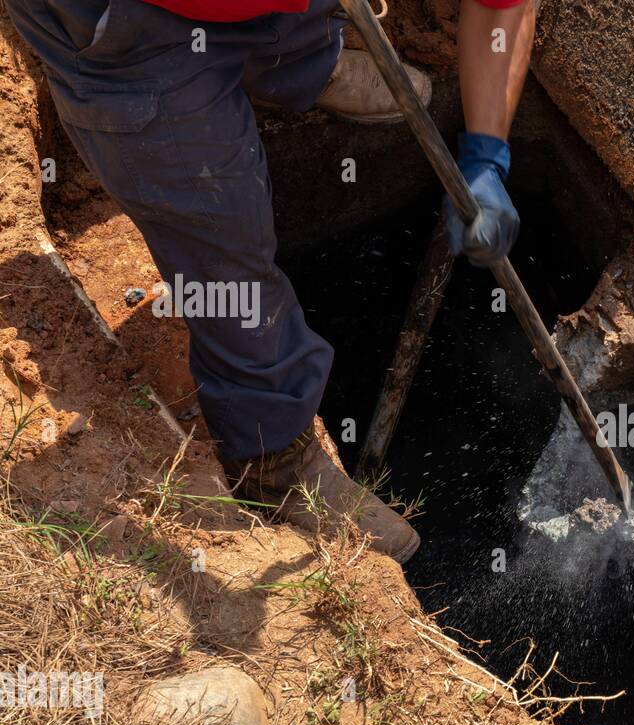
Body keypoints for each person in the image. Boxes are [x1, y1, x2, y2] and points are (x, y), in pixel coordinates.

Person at [7, 0, 536, 562]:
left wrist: (486, 156)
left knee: (294, 16)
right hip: (128, 28)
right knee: (219, 234)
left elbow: (502, 6)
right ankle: (271, 459)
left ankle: (296, 61)